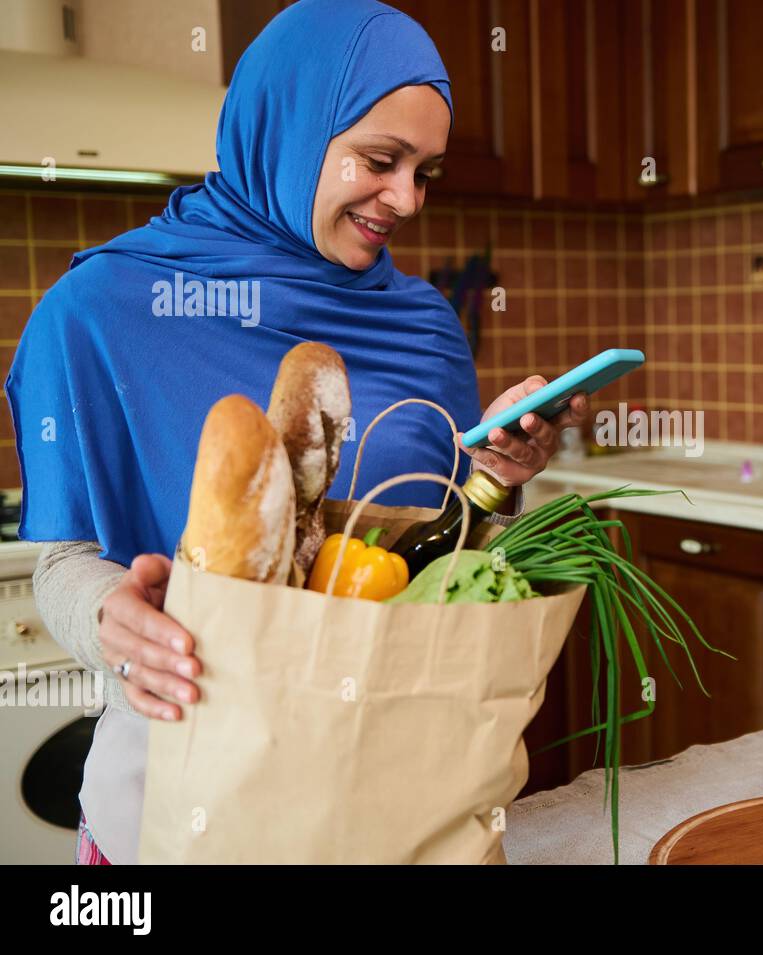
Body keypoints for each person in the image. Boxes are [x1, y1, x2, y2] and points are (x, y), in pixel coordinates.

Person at [5, 0, 588, 865]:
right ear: (287, 126)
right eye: (380, 160)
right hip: (177, 787)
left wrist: (502, 475)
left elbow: (434, 557)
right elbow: (60, 561)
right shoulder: (94, 313)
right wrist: (110, 616)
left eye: (425, 171)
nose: (406, 200)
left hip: (389, 799)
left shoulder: (426, 324)